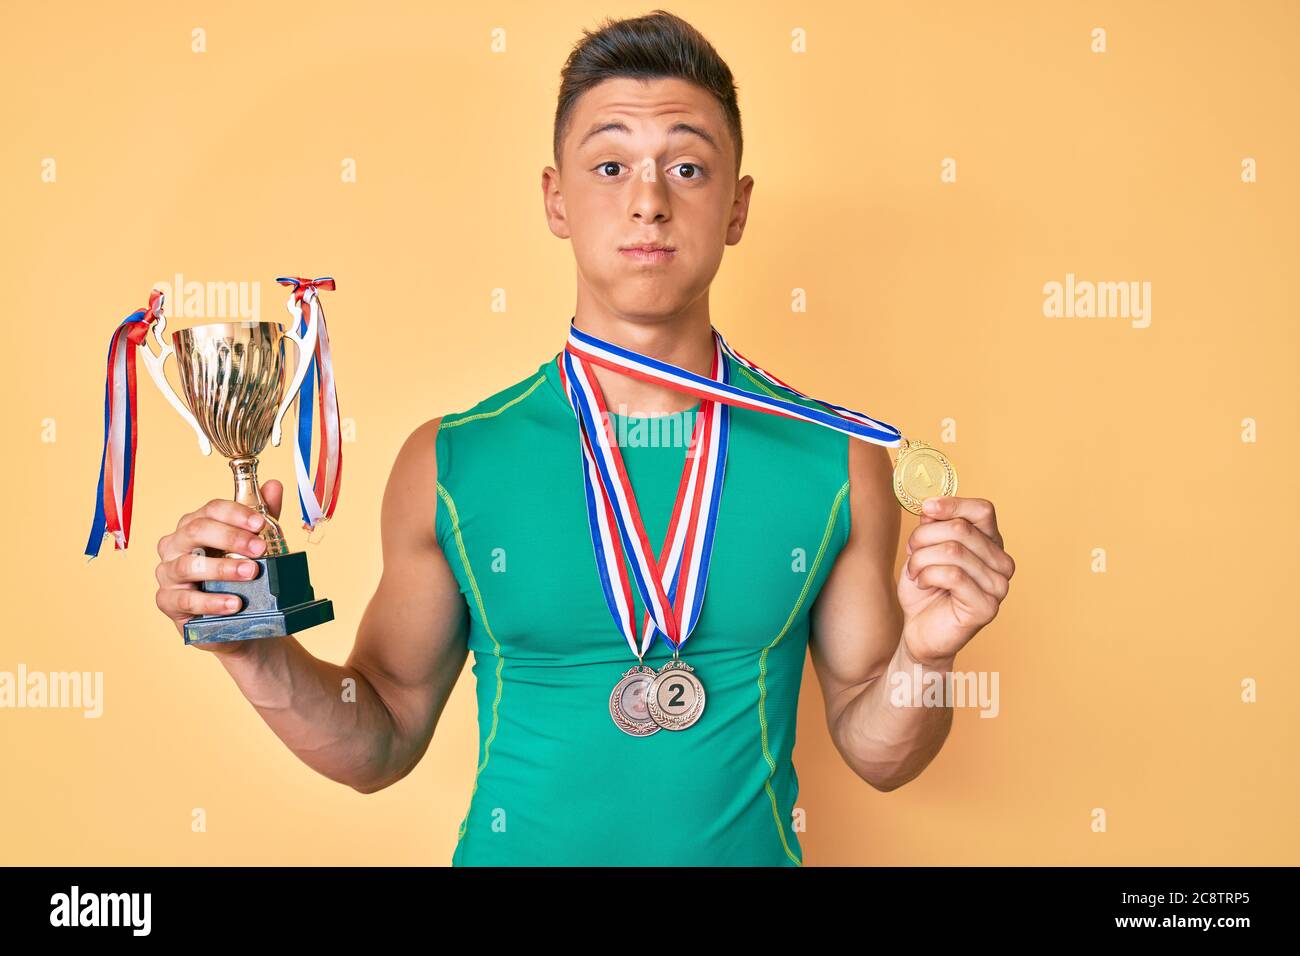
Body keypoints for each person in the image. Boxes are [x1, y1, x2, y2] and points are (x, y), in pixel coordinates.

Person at [150, 10, 1014, 866]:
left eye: (687, 166)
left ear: (737, 207)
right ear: (556, 200)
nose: (648, 201)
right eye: (609, 165)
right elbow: (379, 738)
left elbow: (880, 751)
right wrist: (255, 650)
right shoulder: (451, 461)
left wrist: (925, 655)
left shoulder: (838, 460)